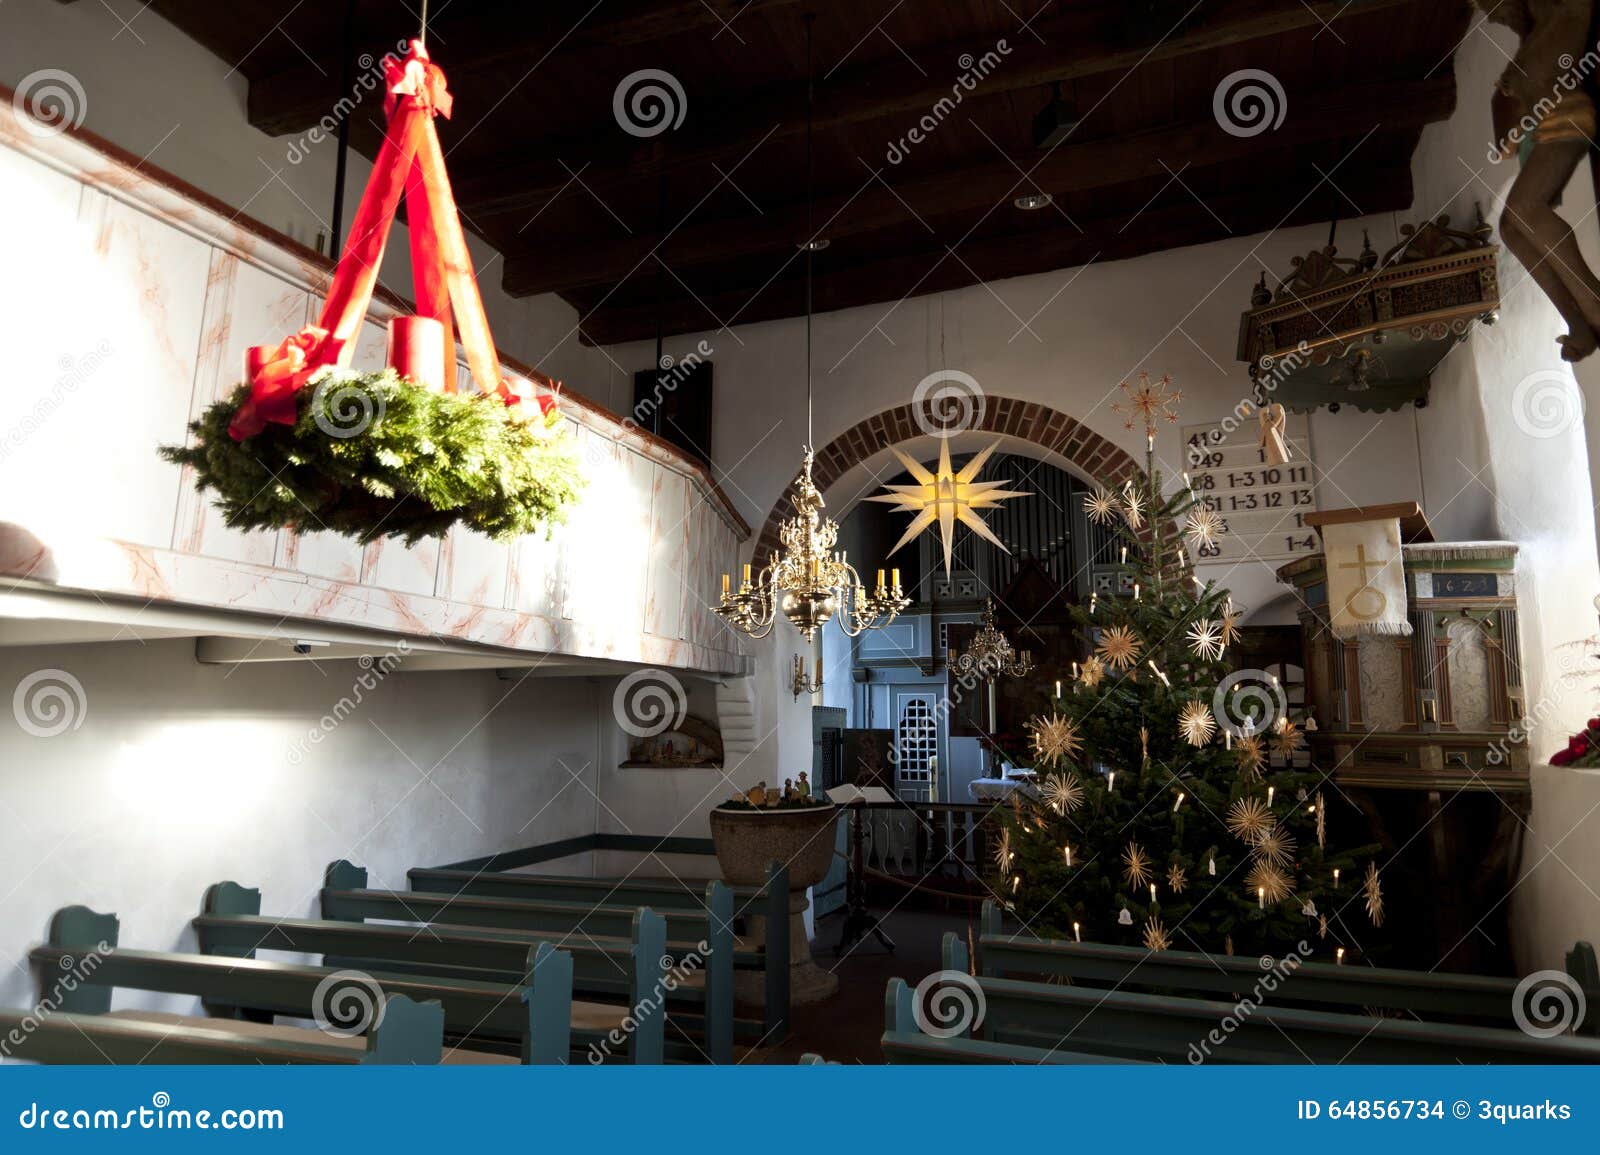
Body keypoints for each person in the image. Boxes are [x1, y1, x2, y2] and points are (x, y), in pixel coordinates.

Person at [1479, 0, 1600, 360]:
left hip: (1567, 120)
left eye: (1496, 10)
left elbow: (1574, 13)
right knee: (1510, 228)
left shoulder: (1556, 14)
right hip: (1546, 129)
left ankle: (1593, 300)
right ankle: (1576, 319)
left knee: (1526, 209)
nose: (1495, 18)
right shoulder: (1530, 42)